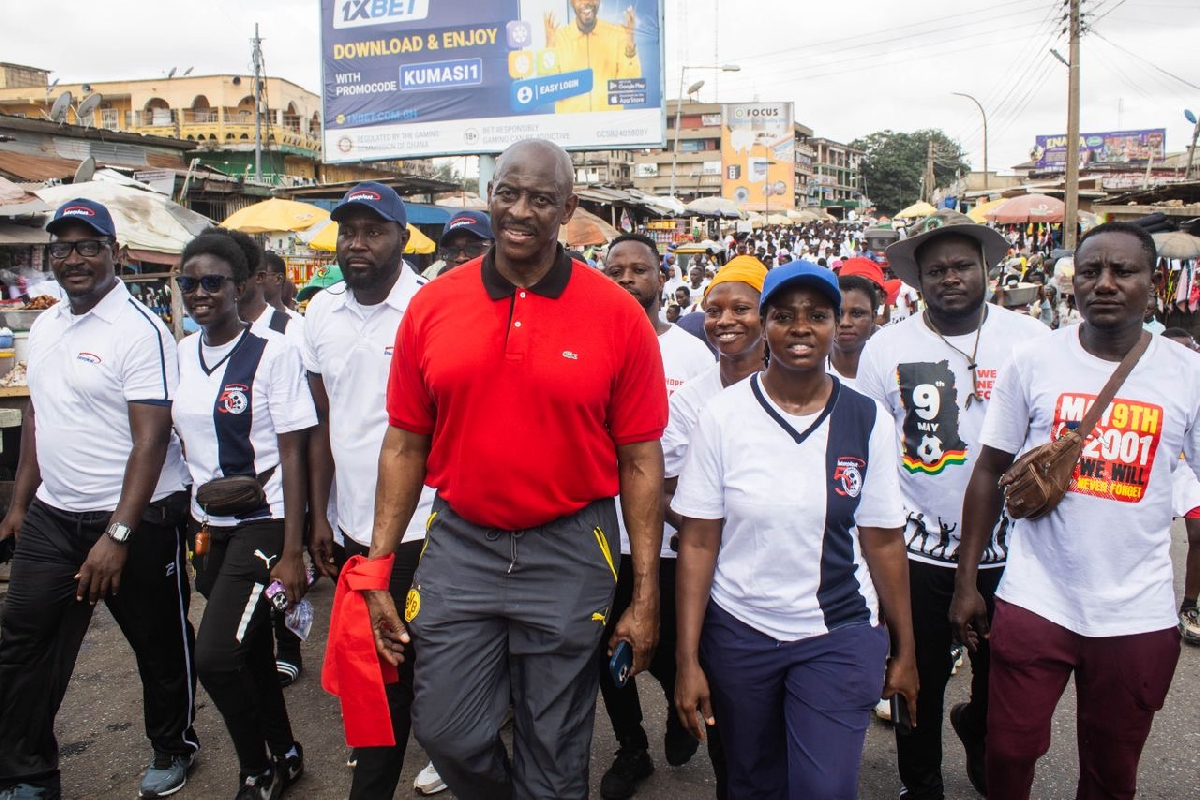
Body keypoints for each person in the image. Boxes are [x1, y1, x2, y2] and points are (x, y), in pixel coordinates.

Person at [371, 138, 667, 799]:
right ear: (489, 196)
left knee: (554, 746)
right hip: (462, 543)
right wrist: (377, 566)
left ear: (568, 208)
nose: (521, 211)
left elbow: (640, 460)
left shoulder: (619, 317)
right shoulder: (433, 306)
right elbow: (403, 445)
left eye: (540, 198)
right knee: (447, 731)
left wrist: (645, 596)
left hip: (571, 546)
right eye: (508, 193)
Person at [949, 222, 1199, 799]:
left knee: (1112, 771)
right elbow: (987, 470)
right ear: (1073, 285)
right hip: (1037, 597)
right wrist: (968, 584)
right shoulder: (1033, 361)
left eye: (1123, 271)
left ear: (1153, 283)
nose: (1105, 283)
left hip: (1137, 613)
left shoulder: (1187, 374)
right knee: (1008, 753)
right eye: (1091, 272)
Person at [673, 261, 918, 799]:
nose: (801, 327)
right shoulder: (723, 416)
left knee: (823, 789)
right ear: (765, 325)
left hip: (838, 633)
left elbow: (882, 539)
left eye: (818, 315)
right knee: (751, 783)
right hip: (740, 631)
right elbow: (697, 539)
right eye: (785, 316)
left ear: (836, 325)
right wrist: (687, 661)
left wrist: (905, 652)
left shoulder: (867, 417)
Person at [0, 199, 198, 799]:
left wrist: (118, 535)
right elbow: (39, 414)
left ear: (117, 253)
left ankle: (173, 744)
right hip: (54, 517)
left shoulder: (140, 331)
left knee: (159, 644)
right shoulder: (51, 322)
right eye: (62, 247)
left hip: (139, 518)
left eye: (89, 246)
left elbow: (151, 440)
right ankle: (28, 772)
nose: (74, 258)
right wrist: (20, 504)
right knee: (21, 643)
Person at [856, 210, 1050, 800]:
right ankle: (921, 783)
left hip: (1013, 552)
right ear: (917, 279)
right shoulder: (884, 347)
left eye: (963, 265)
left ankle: (980, 730)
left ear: (987, 269)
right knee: (917, 677)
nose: (950, 278)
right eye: (935, 269)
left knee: (1004, 680)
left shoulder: (1031, 339)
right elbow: (872, 453)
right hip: (918, 550)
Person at [301, 182, 440, 799]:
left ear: (402, 238)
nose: (356, 244)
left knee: (425, 672)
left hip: (429, 527)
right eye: (348, 232)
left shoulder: (431, 307)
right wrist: (319, 516)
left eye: (373, 231)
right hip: (356, 527)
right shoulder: (320, 311)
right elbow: (324, 421)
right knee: (376, 670)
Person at [172, 229, 313, 799]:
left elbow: (294, 452)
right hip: (209, 528)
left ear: (240, 287)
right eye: (189, 283)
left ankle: (256, 769)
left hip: (265, 522)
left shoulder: (273, 352)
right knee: (249, 650)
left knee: (215, 656)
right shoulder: (181, 353)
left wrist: (294, 549)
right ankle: (287, 751)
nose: (200, 293)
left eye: (213, 282)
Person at [597, 234, 713, 799]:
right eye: (613, 269)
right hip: (599, 535)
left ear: (661, 279)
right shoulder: (588, 341)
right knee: (606, 650)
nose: (624, 278)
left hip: (670, 533)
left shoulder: (693, 354)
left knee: (665, 645)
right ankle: (631, 749)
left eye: (637, 269)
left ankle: (677, 704)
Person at [661, 258, 771, 799]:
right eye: (714, 310)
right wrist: (706, 528)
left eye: (741, 308)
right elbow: (664, 487)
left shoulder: (809, 384)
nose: (725, 320)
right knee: (731, 716)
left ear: (767, 314)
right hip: (719, 584)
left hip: (798, 578)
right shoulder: (690, 400)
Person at [544, 0, 642, 113]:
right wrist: (549, 48)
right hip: (572, 126)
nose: (586, 2)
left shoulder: (617, 34)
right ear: (571, 2)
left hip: (609, 125)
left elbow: (628, 89)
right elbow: (550, 90)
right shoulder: (559, 38)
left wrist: (629, 45)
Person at [829, 274, 879, 389]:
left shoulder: (891, 369)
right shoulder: (809, 371)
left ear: (873, 317)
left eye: (857, 313)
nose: (845, 323)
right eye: (838, 314)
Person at [433, 210, 494, 278]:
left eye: (473, 249)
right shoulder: (435, 287)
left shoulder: (506, 286)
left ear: (495, 249)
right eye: (452, 251)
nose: (460, 258)